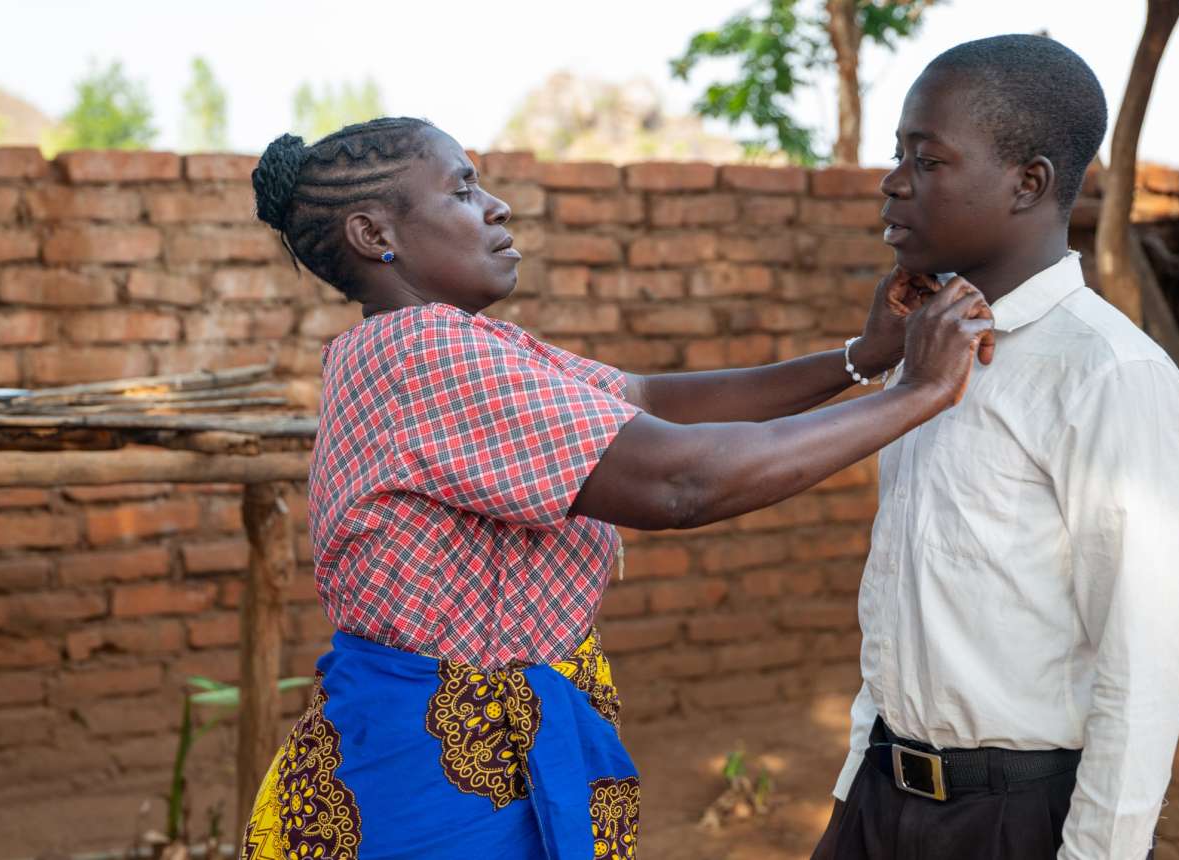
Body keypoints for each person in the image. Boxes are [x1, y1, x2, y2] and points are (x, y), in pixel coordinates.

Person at [239, 116, 993, 860]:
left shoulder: (448, 342)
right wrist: (918, 392)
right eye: (464, 190)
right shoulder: (424, 350)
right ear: (375, 237)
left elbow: (649, 401)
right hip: (439, 787)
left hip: (418, 754)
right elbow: (679, 482)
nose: (496, 206)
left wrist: (862, 356)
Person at [811, 35, 1179, 860]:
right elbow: (902, 602)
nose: (892, 181)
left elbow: (1143, 665)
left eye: (928, 158)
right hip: (881, 796)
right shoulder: (929, 351)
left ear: (1029, 183)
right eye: (895, 154)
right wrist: (855, 787)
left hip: (1011, 821)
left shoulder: (1106, 372)